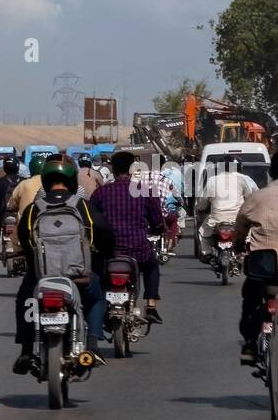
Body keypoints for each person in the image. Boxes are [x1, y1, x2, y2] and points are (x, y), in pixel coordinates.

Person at [13, 155, 115, 372]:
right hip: (79, 277)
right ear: (71, 181)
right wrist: (104, 253)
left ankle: (25, 351)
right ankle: (93, 346)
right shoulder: (82, 206)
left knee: (24, 299)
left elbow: (24, 240)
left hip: (42, 277)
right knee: (97, 297)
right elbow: (103, 233)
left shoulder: (34, 210)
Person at [234, 149, 278, 362]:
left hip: (263, 270)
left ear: (272, 171)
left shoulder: (258, 197)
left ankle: (248, 345)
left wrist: (239, 245)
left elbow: (241, 225)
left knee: (250, 299)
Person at [93, 151, 166, 325]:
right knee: (152, 267)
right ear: (133, 169)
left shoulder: (101, 193)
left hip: (109, 252)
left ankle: (96, 307)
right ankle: (151, 306)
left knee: (95, 275)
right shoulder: (145, 191)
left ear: (112, 169)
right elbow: (157, 221)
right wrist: (159, 229)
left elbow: (91, 220)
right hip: (138, 250)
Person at [196, 157, 256, 261]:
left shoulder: (212, 180)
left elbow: (203, 202)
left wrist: (201, 208)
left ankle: (208, 253)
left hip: (216, 219)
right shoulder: (241, 179)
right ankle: (244, 252)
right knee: (249, 235)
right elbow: (250, 198)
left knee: (203, 234)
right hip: (237, 219)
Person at [0, 158, 24, 260]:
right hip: (20, 214)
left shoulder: (1, 181)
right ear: (17, 167)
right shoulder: (23, 181)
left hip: (5, 213)